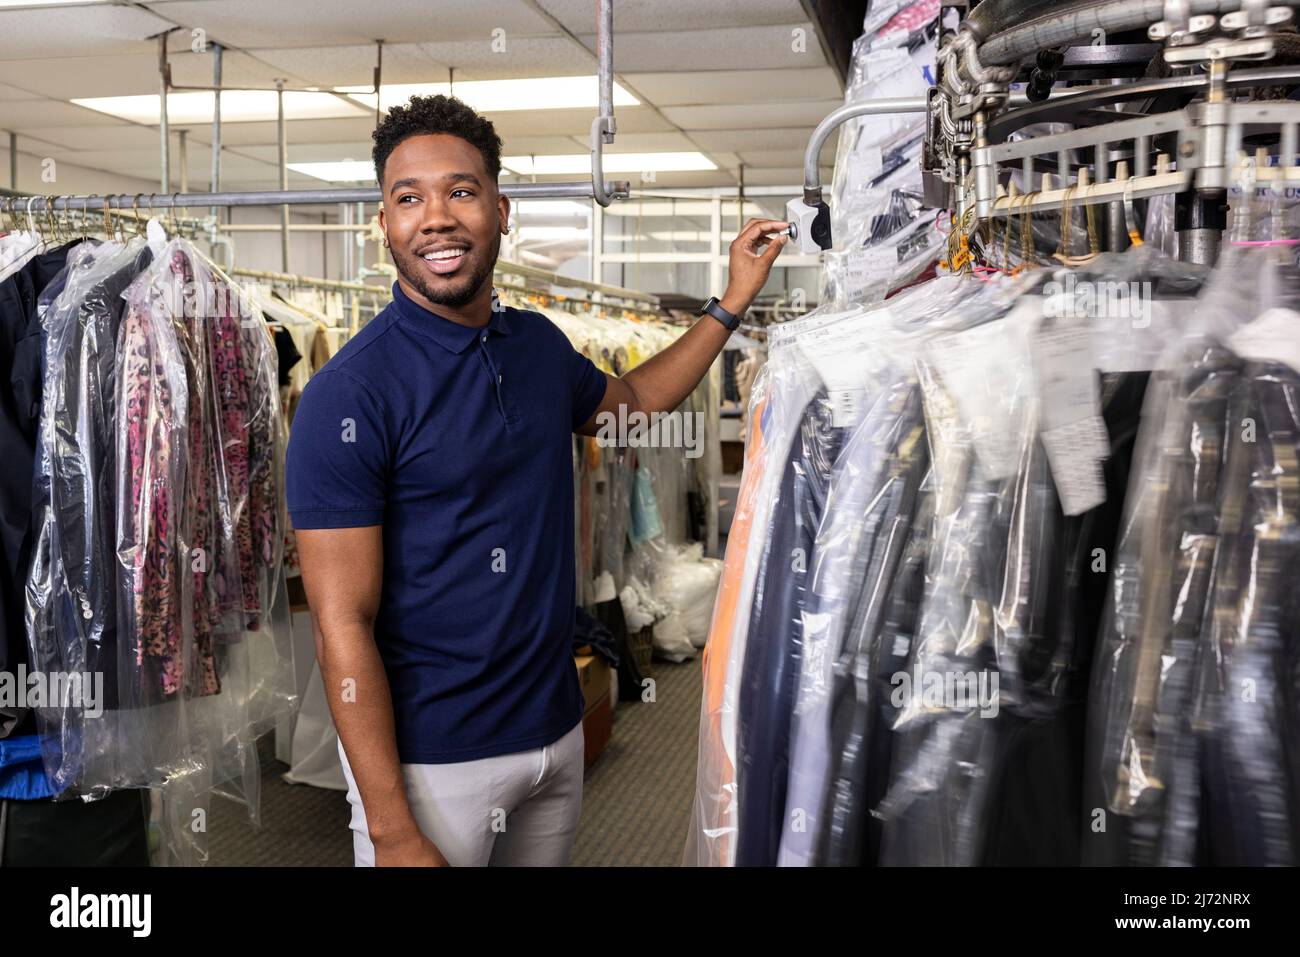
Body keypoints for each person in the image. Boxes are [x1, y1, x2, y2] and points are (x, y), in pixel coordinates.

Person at [286, 94, 787, 867]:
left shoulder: (539, 347)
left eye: (460, 190)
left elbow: (635, 405)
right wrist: (389, 827)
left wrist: (731, 301)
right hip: (436, 760)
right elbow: (340, 625)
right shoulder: (348, 395)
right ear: (383, 224)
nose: (436, 217)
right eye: (407, 198)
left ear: (501, 208)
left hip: (554, 732)